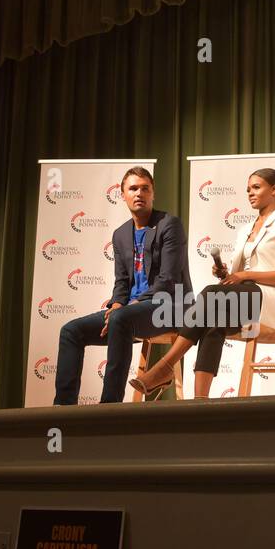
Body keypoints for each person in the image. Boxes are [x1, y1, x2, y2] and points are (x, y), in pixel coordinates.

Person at [131, 168, 275, 399]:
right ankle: (200, 402)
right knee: (213, 320)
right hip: (245, 299)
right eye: (248, 189)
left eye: (256, 187)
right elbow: (237, 275)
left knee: (212, 294)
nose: (250, 193)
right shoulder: (245, 230)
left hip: (273, 300)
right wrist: (226, 272)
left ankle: (165, 366)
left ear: (274, 190)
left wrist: (243, 277)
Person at [53, 166, 192, 404]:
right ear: (122, 194)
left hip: (170, 307)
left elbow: (168, 279)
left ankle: (110, 405)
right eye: (133, 188)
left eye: (145, 189)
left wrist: (130, 307)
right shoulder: (120, 234)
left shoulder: (169, 225)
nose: (139, 193)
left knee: (121, 318)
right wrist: (117, 303)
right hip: (129, 313)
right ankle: (64, 408)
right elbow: (121, 282)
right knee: (71, 331)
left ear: (153, 193)